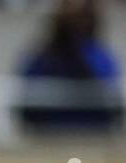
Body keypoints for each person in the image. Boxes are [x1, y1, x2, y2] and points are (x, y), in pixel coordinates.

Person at [17, 0, 122, 134]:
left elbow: (114, 101)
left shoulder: (98, 57)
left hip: (93, 133)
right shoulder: (42, 59)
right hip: (49, 134)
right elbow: (25, 104)